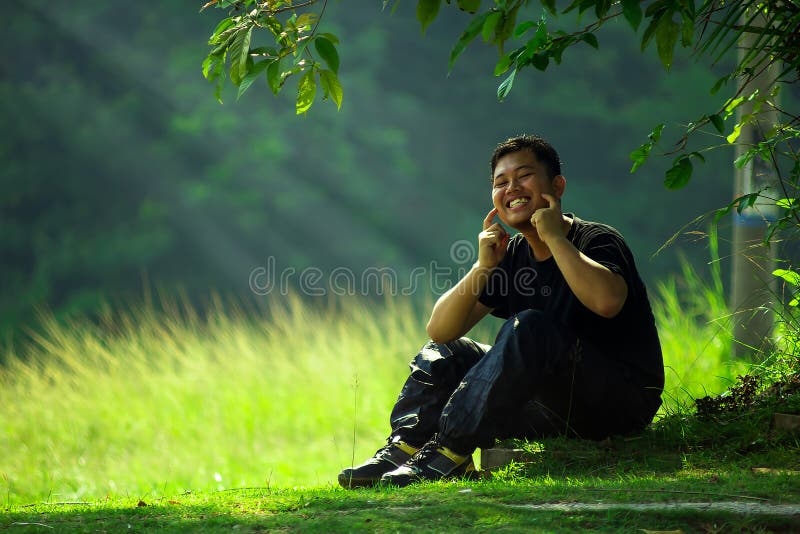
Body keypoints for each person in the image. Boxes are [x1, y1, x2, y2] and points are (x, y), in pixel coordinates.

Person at [338, 134, 664, 488]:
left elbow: (607, 302)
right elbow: (440, 331)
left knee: (530, 326)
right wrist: (482, 267)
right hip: (545, 406)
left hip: (616, 405)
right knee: (446, 353)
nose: (512, 188)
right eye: (501, 182)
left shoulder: (597, 239)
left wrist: (554, 238)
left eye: (524, 176)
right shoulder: (513, 256)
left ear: (557, 186)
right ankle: (403, 450)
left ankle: (448, 452)